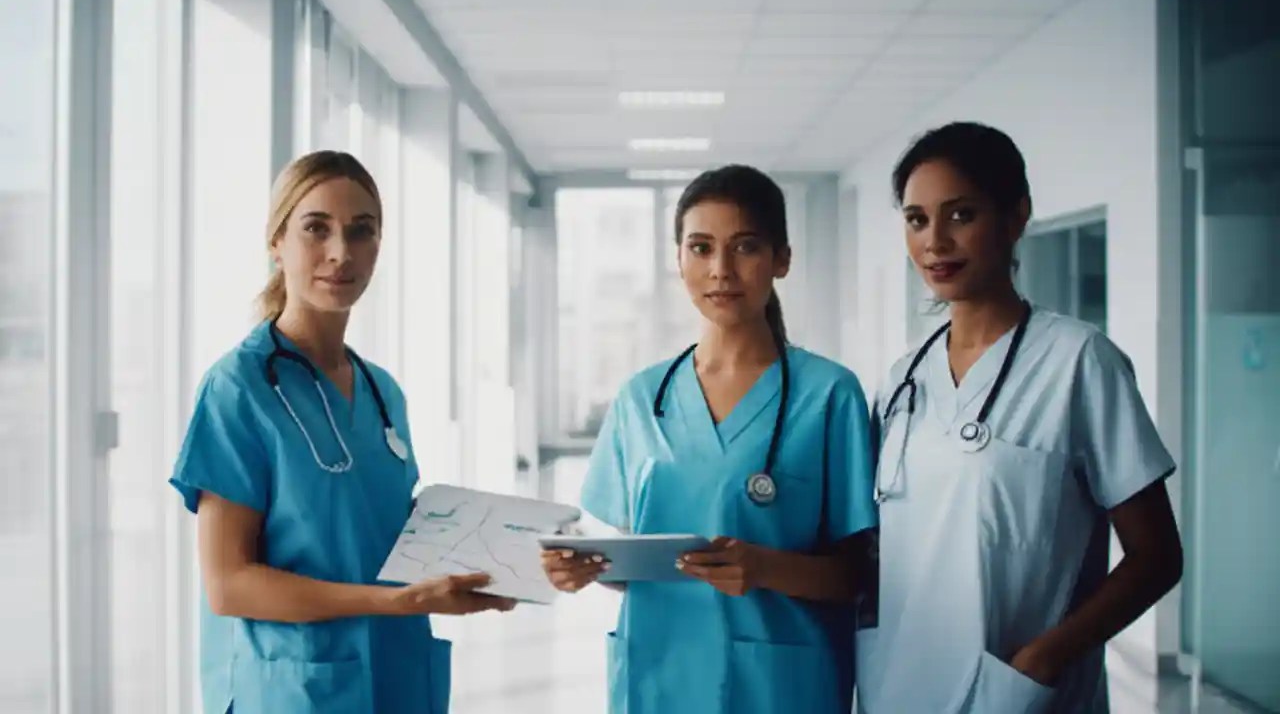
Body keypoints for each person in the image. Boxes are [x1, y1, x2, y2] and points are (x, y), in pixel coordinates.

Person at [170, 151, 515, 714]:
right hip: (295, 686)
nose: (341, 252)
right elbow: (229, 584)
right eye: (316, 228)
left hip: (395, 671)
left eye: (361, 231)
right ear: (277, 242)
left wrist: (519, 554)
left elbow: (379, 532)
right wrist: (393, 602)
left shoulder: (382, 391)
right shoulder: (239, 387)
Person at [856, 122, 1183, 713]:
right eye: (917, 219)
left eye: (961, 215)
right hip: (900, 685)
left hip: (1015, 693)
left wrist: (1045, 658)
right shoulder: (903, 379)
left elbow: (1157, 558)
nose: (935, 242)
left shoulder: (1079, 361)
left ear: (1016, 216)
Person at [542, 165, 877, 714]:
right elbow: (638, 568)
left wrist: (765, 568)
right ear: (679, 260)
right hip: (659, 673)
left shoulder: (828, 394)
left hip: (781, 686)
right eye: (700, 248)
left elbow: (858, 577)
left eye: (745, 247)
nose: (721, 269)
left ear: (782, 259)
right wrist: (583, 569)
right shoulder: (641, 398)